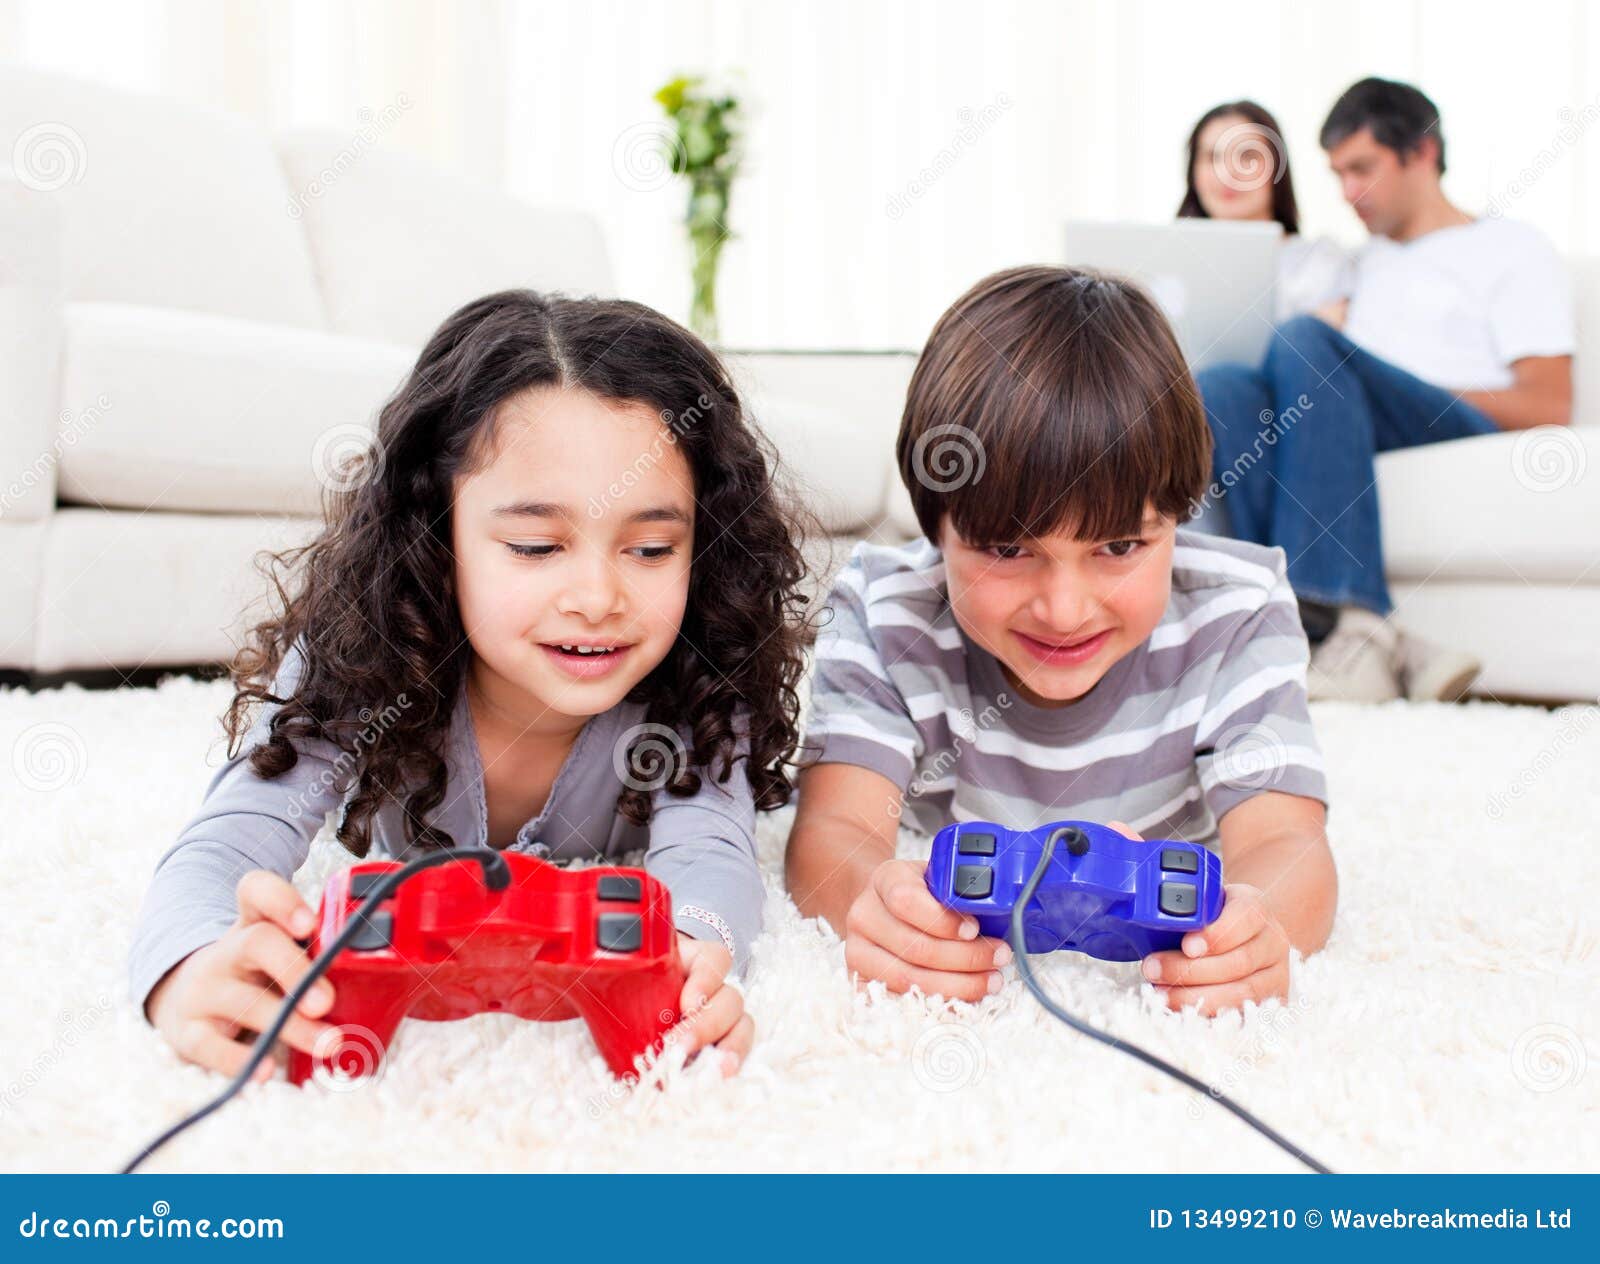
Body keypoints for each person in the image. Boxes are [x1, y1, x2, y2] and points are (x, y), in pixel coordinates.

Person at [131, 290, 813, 1080]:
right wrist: (190, 964)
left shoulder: (698, 671)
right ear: (435, 532)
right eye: (533, 546)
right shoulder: (370, 650)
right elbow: (227, 840)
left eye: (653, 548)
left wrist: (693, 948)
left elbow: (711, 855)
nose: (598, 597)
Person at [786, 266, 1337, 1016]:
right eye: (1008, 551)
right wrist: (873, 906)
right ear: (935, 526)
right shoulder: (886, 612)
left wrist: (1256, 927)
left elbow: (1287, 842)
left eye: (1118, 548)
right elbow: (836, 828)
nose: (1064, 609)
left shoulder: (1237, 610)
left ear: (1179, 518)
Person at [1194, 79, 1575, 702]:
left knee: (1304, 339)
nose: (1348, 193)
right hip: (1352, 427)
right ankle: (1364, 633)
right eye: (1337, 174)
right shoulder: (1356, 263)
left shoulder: (1509, 247)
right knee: (1225, 388)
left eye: (1363, 168)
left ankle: (1347, 619)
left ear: (1421, 153)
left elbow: (1546, 403)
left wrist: (1380, 384)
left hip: (1448, 420)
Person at [1178, 98, 1350, 319]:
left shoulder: (1319, 260)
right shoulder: (1170, 267)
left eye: (1247, 156)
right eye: (1212, 157)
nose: (1227, 173)